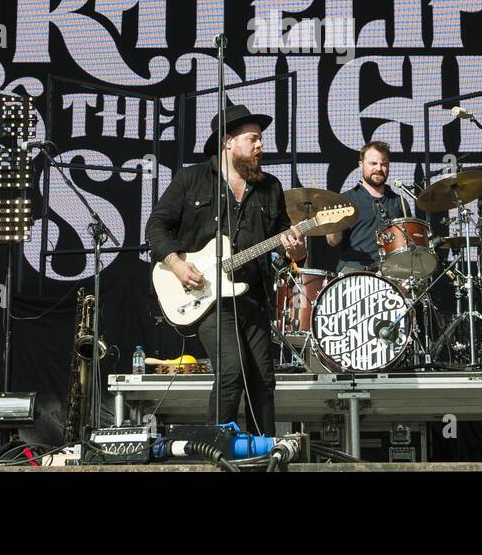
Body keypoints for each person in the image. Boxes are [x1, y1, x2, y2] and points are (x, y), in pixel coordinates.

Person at [148, 103, 305, 434]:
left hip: (253, 296)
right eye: (253, 139)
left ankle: (265, 452)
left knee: (262, 379)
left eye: (261, 139)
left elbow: (285, 239)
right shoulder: (191, 180)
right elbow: (157, 227)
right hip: (209, 296)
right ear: (228, 142)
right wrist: (177, 264)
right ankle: (217, 452)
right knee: (231, 370)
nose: (261, 145)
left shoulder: (270, 187)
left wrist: (297, 248)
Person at [325, 140, 407, 272]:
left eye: (384, 164)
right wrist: (332, 226)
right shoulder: (345, 199)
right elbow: (332, 241)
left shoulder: (399, 202)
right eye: (373, 163)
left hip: (391, 272)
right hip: (355, 271)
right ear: (361, 165)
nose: (379, 168)